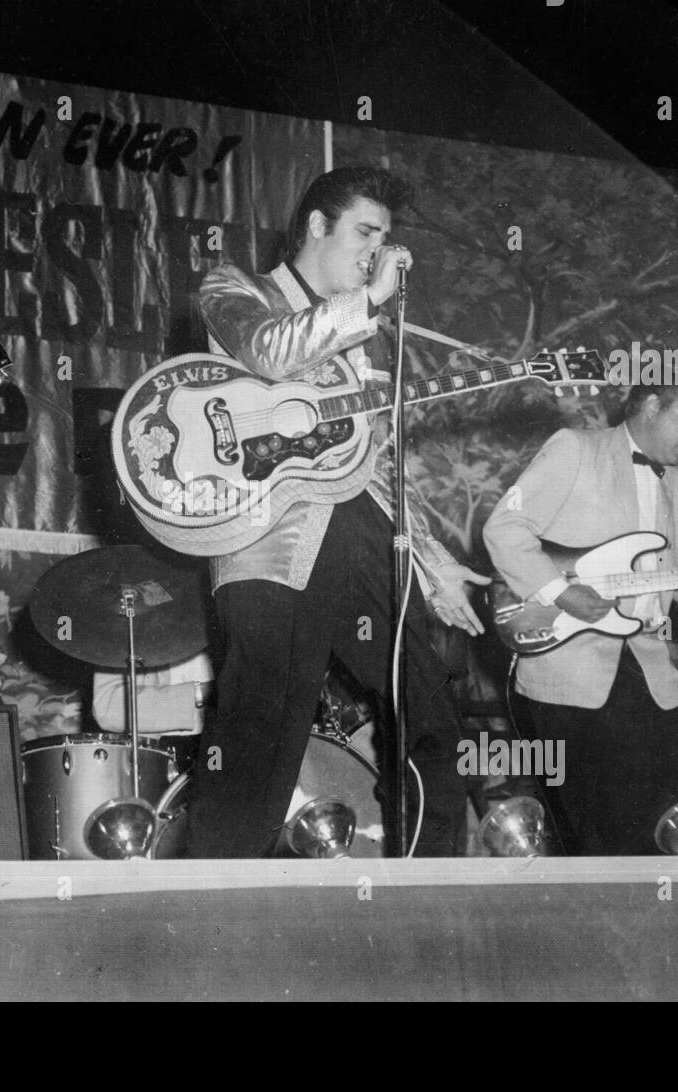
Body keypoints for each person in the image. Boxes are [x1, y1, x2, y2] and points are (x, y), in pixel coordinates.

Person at [186, 167, 489, 858]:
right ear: (318, 227)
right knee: (263, 723)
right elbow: (269, 351)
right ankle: (211, 911)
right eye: (365, 233)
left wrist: (434, 562)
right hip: (272, 531)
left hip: (356, 526)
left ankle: (428, 890)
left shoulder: (370, 336)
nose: (376, 252)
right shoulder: (237, 289)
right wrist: (368, 301)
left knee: (429, 711)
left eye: (385, 238)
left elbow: (375, 458)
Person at [482, 383, 678, 854]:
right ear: (650, 406)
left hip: (651, 674)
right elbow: (504, 528)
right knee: (604, 838)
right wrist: (561, 592)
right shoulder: (576, 449)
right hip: (571, 671)